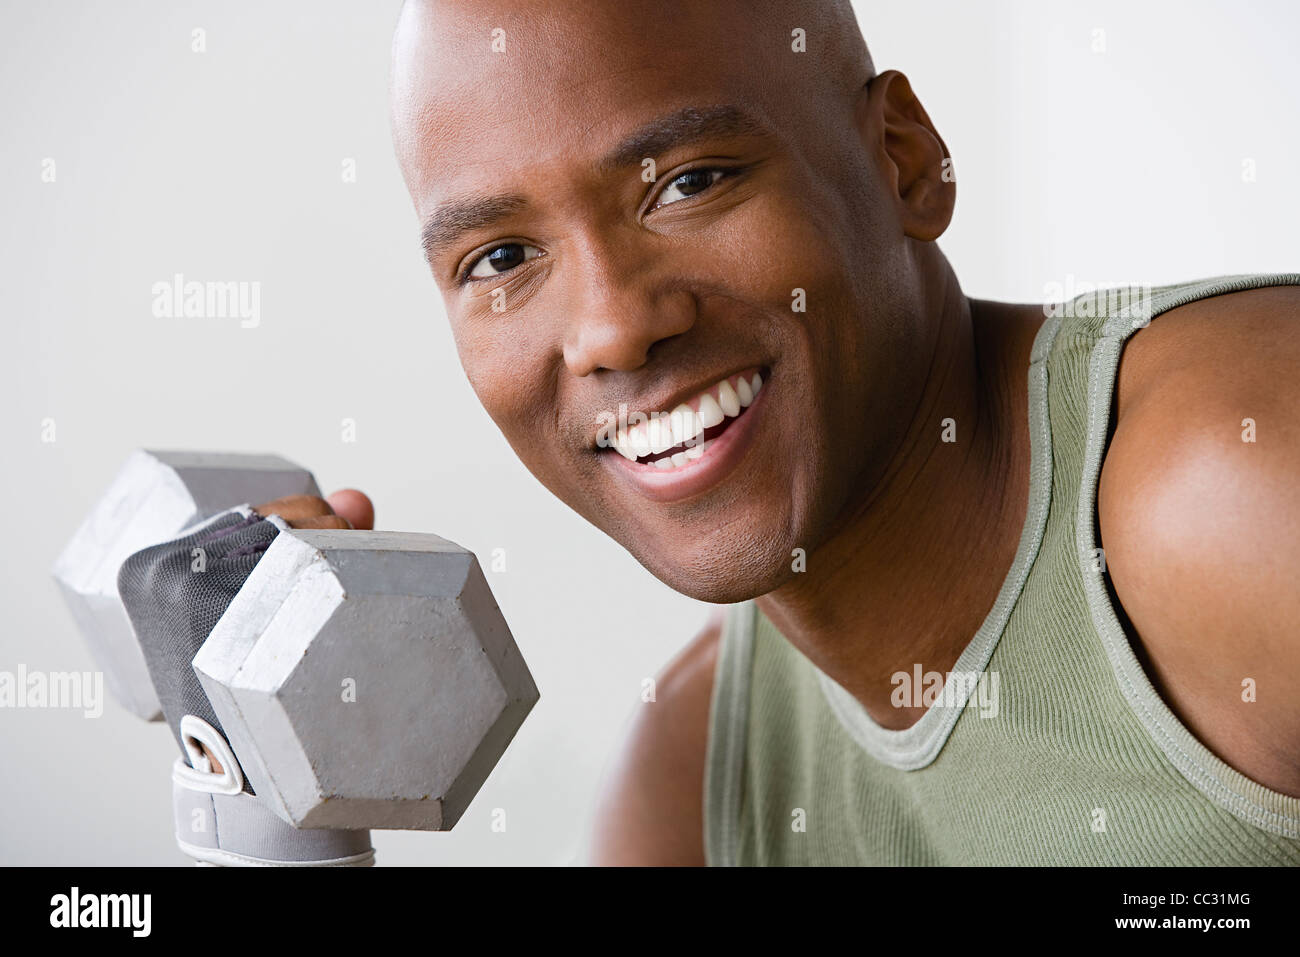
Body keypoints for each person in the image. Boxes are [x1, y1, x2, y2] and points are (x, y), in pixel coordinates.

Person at [133, 0, 1300, 865]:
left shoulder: (1232, 490)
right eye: (499, 259)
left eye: (687, 183)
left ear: (903, 160)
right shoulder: (692, 778)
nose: (611, 329)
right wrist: (266, 805)